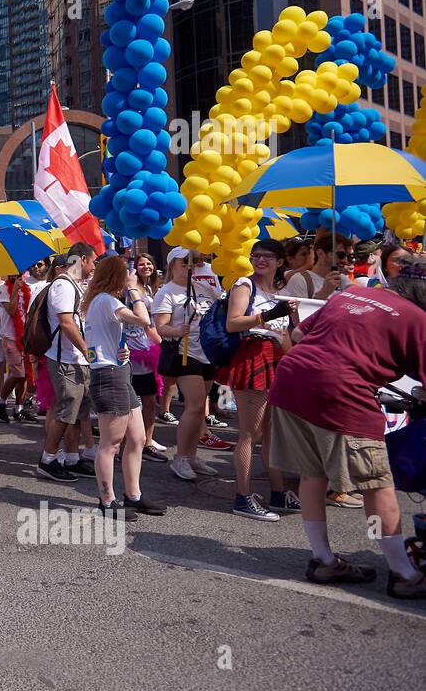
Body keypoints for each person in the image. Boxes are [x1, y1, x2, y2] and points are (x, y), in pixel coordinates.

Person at [270, 254, 426, 597]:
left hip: (292, 378)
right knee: (376, 484)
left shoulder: (350, 293)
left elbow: (297, 333)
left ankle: (323, 559)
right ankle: (403, 573)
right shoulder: (417, 319)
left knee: (313, 474)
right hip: (340, 389)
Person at [81, 256, 167, 519]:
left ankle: (134, 495)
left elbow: (97, 342)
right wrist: (133, 288)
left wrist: (119, 350)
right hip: (109, 376)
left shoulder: (100, 302)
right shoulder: (106, 300)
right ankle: (107, 501)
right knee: (111, 443)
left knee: (138, 437)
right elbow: (143, 320)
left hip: (116, 372)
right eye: (127, 273)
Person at [219, 239, 299, 520]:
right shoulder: (245, 284)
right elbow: (233, 323)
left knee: (271, 434)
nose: (261, 260)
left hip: (277, 360)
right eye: (256, 255)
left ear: (280, 261)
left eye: (268, 256)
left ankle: (278, 494)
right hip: (253, 356)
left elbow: (288, 337)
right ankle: (242, 497)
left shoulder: (281, 291)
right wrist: (267, 315)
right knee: (249, 434)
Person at [151, 248, 219, 482]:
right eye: (186, 261)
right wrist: (177, 330)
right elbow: (160, 326)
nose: (192, 266)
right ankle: (180, 458)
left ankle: (192, 456)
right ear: (172, 265)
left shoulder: (204, 288)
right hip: (183, 353)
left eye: (196, 261)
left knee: (200, 408)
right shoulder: (166, 292)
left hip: (207, 352)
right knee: (195, 404)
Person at [37, 243, 98, 483]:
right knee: (65, 411)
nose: (93, 267)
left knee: (77, 412)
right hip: (65, 359)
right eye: (92, 261)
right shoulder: (62, 285)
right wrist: (87, 351)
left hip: (77, 358)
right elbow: (66, 322)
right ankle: (48, 459)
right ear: (82, 259)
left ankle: (72, 458)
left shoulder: (74, 286)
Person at [128, 252, 165, 461]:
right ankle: (131, 444)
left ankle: (147, 441)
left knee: (150, 400)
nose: (146, 267)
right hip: (133, 351)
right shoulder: (129, 289)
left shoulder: (152, 287)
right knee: (132, 403)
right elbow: (144, 322)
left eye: (149, 263)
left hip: (148, 349)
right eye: (141, 264)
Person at [0, 271, 34, 423]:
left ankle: (19, 408)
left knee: (25, 375)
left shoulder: (26, 288)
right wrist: (16, 290)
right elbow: (11, 311)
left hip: (25, 337)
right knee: (18, 374)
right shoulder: (2, 289)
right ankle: (1, 402)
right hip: (10, 337)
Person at [281, 231, 354, 301]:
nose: (345, 261)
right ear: (321, 253)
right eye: (341, 255)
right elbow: (299, 313)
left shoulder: (342, 279)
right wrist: (323, 293)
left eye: (349, 256)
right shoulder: (300, 280)